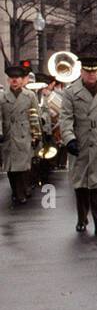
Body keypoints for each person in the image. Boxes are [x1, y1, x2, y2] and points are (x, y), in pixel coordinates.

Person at [60, 55, 97, 234]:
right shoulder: (70, 92)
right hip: (80, 140)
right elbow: (65, 118)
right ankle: (82, 218)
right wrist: (69, 138)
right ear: (81, 71)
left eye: (95, 71)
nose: (91, 75)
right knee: (81, 184)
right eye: (87, 71)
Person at [2, 62, 37, 207]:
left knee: (24, 166)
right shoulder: (2, 97)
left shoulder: (30, 96)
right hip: (9, 134)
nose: (15, 80)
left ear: (22, 79)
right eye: (12, 78)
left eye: (17, 77)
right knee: (11, 167)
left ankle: (22, 192)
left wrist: (36, 135)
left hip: (24, 133)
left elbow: (34, 116)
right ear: (8, 80)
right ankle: (16, 192)